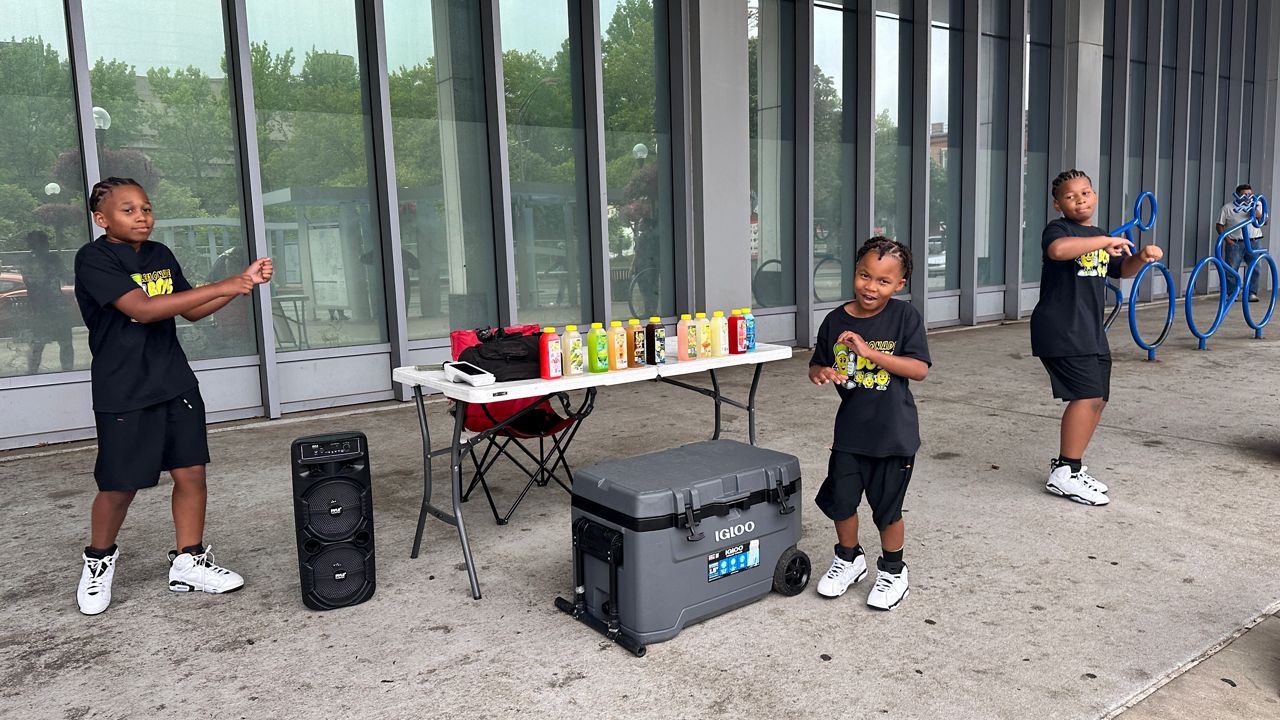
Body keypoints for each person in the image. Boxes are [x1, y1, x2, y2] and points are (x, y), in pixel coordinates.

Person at [72, 177, 273, 616]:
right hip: (123, 386)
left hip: (174, 381)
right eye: (128, 210)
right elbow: (142, 310)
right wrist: (225, 283)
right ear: (101, 218)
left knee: (191, 473)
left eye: (145, 208)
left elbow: (190, 309)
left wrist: (242, 286)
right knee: (120, 485)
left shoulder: (160, 255)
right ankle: (98, 562)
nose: (141, 216)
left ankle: (188, 561)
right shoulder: (94, 258)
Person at [808, 236, 931, 611]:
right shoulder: (835, 320)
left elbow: (919, 369)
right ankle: (849, 558)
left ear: (899, 285)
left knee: (886, 510)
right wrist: (821, 372)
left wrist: (869, 352)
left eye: (882, 280)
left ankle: (894, 570)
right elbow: (816, 362)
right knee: (841, 503)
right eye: (865, 275)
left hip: (893, 435)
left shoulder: (904, 317)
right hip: (849, 433)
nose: (870, 286)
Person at [1030, 169, 1162, 507]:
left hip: (1089, 330)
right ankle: (1065, 473)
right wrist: (1105, 241)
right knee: (1086, 396)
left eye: (1085, 193)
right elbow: (1059, 251)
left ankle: (1069, 468)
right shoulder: (1058, 230)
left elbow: (1120, 270)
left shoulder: (1099, 235)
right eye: (1071, 196)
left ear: (1095, 195)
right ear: (1057, 204)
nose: (1080, 200)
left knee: (1098, 399)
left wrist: (1140, 258)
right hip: (1061, 328)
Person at [20, 230, 75, 373]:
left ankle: (66, 373)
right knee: (44, 344)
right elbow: (66, 277)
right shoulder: (48, 260)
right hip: (47, 310)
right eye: (44, 242)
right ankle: (35, 375)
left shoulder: (28, 261)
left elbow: (66, 277)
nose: (47, 245)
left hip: (44, 309)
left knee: (58, 344)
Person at [1215, 183, 1267, 302]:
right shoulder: (1227, 208)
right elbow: (1219, 225)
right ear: (1237, 195)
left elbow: (1266, 221)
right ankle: (1232, 294)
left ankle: (1252, 293)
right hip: (1235, 242)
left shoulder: (1257, 205)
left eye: (1250, 194)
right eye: (1244, 194)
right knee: (1231, 269)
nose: (1248, 197)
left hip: (1254, 241)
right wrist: (1227, 240)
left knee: (1256, 267)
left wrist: (1258, 215)